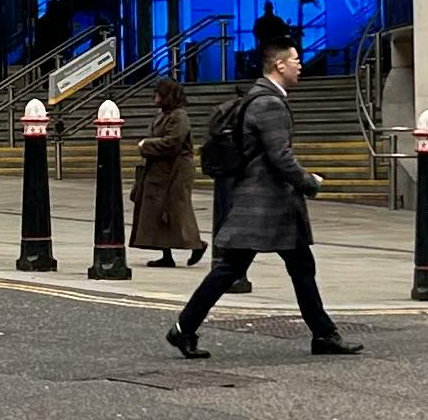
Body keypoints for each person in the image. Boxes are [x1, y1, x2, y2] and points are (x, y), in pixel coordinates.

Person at [168, 40, 357, 359]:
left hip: (269, 203)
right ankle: (183, 328)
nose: (301, 64)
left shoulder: (261, 97)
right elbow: (280, 157)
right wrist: (309, 181)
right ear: (279, 65)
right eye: (295, 59)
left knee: (297, 266)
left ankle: (324, 333)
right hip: (266, 205)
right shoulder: (268, 103)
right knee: (232, 269)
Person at [130, 78, 203, 266]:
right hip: (158, 169)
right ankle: (166, 255)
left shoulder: (180, 116)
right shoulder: (162, 115)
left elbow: (172, 142)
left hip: (176, 171)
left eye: (159, 93)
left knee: (176, 210)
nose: (155, 96)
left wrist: (146, 145)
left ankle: (197, 244)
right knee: (156, 211)